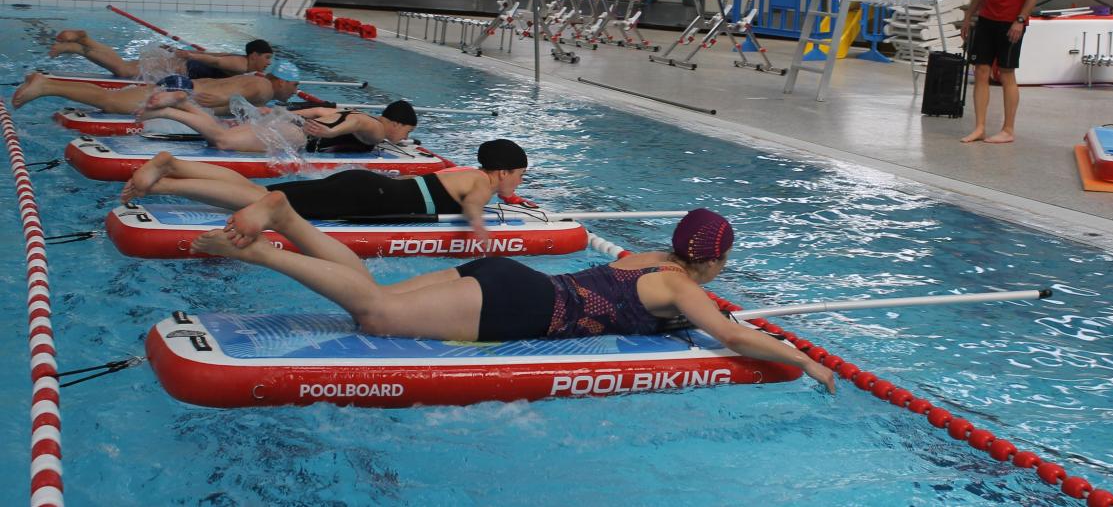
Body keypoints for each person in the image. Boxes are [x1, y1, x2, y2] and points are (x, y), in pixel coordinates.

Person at [191, 201, 836, 390]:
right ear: (714, 260)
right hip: (522, 308)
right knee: (374, 313)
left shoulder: (646, 259)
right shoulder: (679, 284)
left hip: (509, 277)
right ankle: (261, 248)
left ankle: (294, 220)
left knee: (372, 293)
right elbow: (729, 336)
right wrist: (803, 358)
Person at [121, 138, 531, 241]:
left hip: (366, 186)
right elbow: (476, 204)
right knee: (260, 200)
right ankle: (163, 182)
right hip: (365, 197)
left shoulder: (461, 171)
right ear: (502, 171)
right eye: (520, 175)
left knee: (256, 188)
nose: (519, 183)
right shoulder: (480, 183)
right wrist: (480, 232)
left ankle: (173, 168)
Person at [959, 0, 1043, 145]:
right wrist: (969, 16)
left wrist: (1020, 20)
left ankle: (1008, 129)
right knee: (981, 70)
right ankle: (980, 127)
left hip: (1010, 23)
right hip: (987, 19)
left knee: (1006, 73)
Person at [134, 91, 417, 154]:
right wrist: (331, 130)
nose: (404, 137)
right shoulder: (378, 128)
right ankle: (165, 113)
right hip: (296, 135)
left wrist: (281, 111)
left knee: (220, 133)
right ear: (397, 123)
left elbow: (318, 108)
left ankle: (183, 104)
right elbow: (355, 126)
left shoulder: (355, 109)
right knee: (222, 141)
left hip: (290, 122)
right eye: (407, 130)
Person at [10, 70, 299, 114]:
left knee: (109, 97)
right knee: (109, 101)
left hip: (183, 85)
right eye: (294, 86)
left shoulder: (257, 79)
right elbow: (236, 95)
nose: (295, 92)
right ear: (282, 81)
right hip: (183, 91)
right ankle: (45, 86)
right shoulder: (262, 86)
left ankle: (46, 81)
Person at [48, 31, 274, 80]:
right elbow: (213, 60)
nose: (268, 63)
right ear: (254, 55)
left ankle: (80, 45)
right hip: (176, 68)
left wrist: (187, 53)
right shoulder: (241, 65)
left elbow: (213, 53)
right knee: (123, 70)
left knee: (123, 66)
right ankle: (84, 41)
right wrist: (185, 54)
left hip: (179, 64)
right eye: (266, 58)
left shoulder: (240, 59)